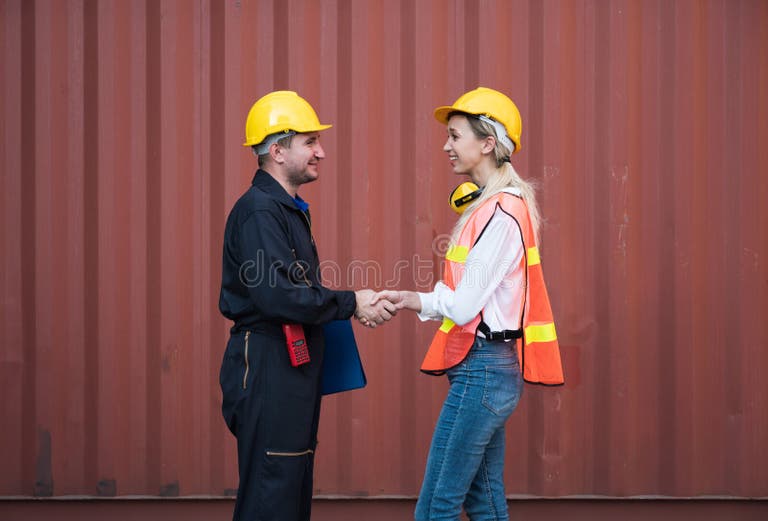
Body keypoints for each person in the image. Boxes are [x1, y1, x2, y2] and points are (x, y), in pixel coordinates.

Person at [374, 87, 564, 520]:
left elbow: (462, 308)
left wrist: (417, 301)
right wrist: (411, 299)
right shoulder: (494, 207)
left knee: (436, 505)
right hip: (488, 371)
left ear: (488, 143)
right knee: (484, 500)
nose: (446, 146)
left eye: (455, 136)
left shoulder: (501, 213)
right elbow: (466, 299)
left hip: (483, 373)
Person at [218, 90, 395, 521]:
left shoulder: (283, 209)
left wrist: (345, 304)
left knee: (288, 483)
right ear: (277, 151)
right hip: (268, 365)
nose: (322, 151)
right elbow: (279, 296)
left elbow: (293, 292)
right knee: (272, 492)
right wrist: (352, 302)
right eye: (310, 142)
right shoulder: (261, 211)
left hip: (287, 365)